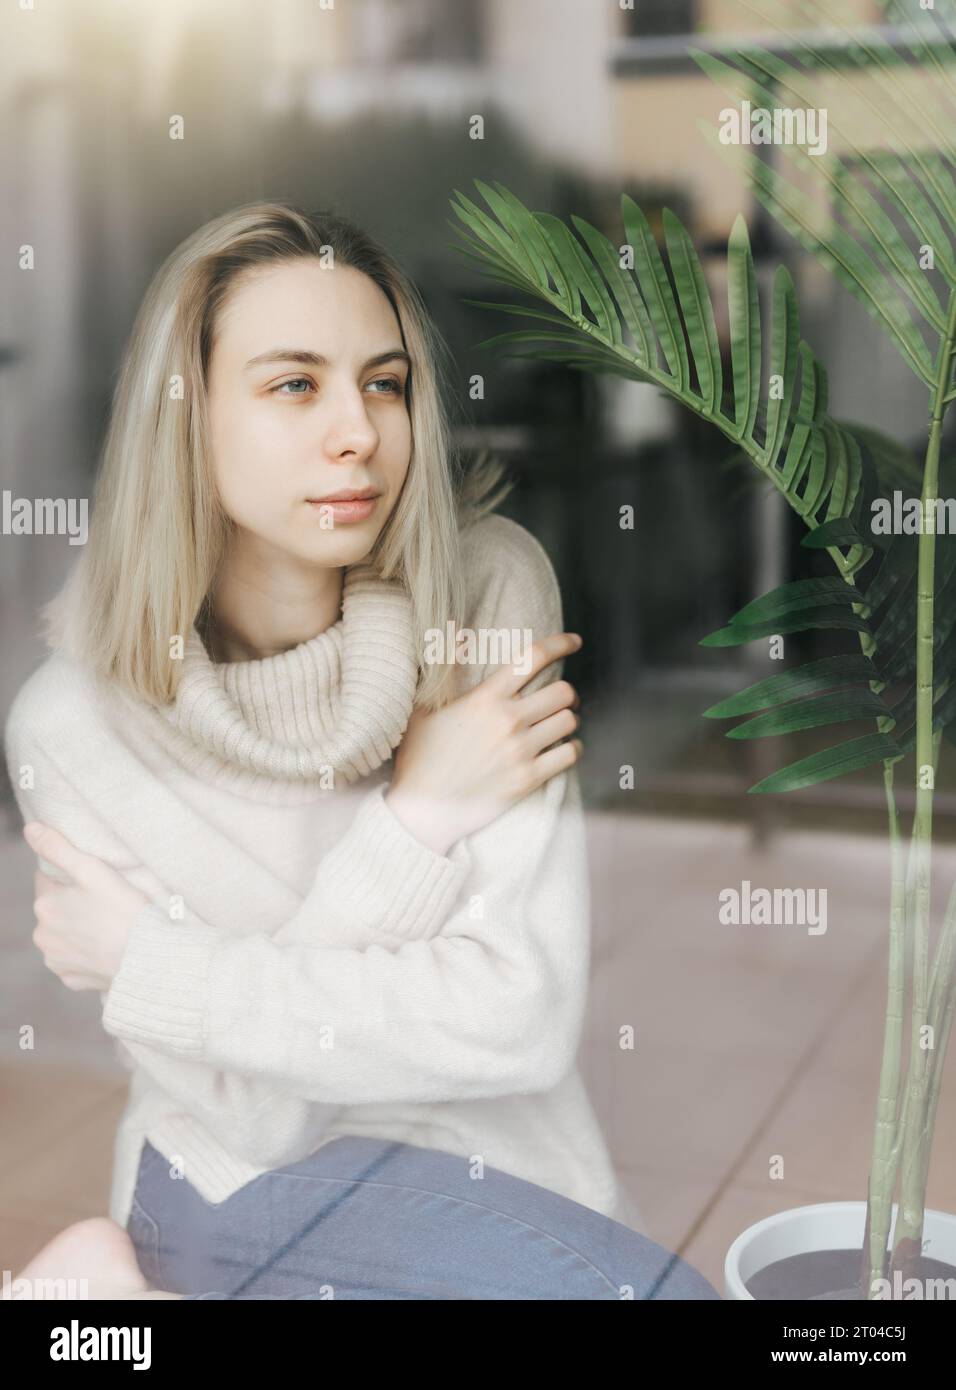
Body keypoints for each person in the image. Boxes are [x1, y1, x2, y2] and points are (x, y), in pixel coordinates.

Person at [3, 201, 720, 1301]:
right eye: (294, 384)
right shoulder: (74, 725)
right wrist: (414, 824)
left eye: (383, 382)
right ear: (182, 417)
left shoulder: (487, 595)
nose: (358, 432)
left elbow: (516, 1018)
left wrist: (163, 969)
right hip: (232, 1183)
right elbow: (254, 1110)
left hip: (496, 1169)